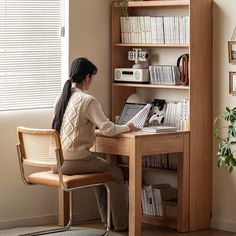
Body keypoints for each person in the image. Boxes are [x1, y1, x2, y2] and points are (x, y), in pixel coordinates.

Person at [52, 57, 137, 231]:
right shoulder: (87, 100)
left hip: (56, 161)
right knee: (116, 172)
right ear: (88, 77)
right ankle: (120, 224)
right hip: (74, 161)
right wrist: (127, 127)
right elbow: (108, 129)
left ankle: (108, 221)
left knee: (102, 173)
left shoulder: (61, 98)